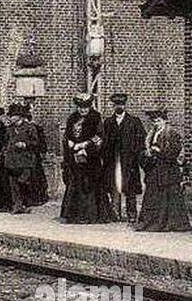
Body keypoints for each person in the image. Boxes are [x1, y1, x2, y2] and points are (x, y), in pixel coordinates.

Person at [135, 108, 191, 232]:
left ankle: (167, 223)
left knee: (168, 197)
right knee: (152, 196)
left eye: (158, 121)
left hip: (167, 171)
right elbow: (145, 151)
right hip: (155, 170)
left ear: (165, 121)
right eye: (154, 121)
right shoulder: (150, 135)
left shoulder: (171, 134)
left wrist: (159, 152)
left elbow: (174, 152)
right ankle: (151, 222)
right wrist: (147, 155)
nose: (156, 123)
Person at [59, 92, 109, 223]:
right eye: (80, 107)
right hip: (74, 157)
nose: (83, 110)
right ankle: (74, 215)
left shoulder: (95, 118)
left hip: (90, 158)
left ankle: (90, 215)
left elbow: (100, 137)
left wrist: (85, 145)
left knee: (89, 185)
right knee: (75, 184)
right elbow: (67, 135)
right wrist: (69, 143)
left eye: (85, 107)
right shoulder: (72, 118)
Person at [100, 91, 145, 223]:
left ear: (125, 105)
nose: (119, 107)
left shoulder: (134, 122)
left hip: (129, 161)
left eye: (121, 104)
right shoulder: (108, 122)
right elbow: (103, 142)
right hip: (113, 161)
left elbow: (141, 140)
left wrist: (135, 154)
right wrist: (105, 156)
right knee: (115, 186)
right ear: (113, 106)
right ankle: (115, 213)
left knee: (130, 187)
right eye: (116, 105)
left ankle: (132, 214)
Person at [2, 105, 40, 213]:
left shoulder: (30, 128)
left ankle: (27, 203)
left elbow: (36, 143)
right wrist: (4, 153)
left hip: (25, 160)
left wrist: (25, 144)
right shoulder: (9, 129)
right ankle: (17, 205)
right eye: (11, 116)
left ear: (20, 117)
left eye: (13, 116)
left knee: (23, 182)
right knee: (13, 184)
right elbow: (6, 142)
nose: (11, 118)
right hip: (12, 160)